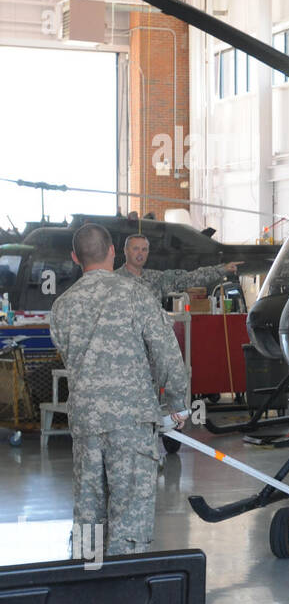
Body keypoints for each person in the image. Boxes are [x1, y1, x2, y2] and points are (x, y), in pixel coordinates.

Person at [49, 223, 190, 556]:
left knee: (88, 509)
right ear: (114, 251)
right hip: (131, 421)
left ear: (74, 258)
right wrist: (177, 403)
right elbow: (166, 353)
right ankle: (124, 585)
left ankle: (88, 576)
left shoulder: (62, 306)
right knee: (130, 512)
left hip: (85, 421)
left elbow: (71, 356)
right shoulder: (136, 294)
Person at [118, 233, 242, 303]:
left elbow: (190, 278)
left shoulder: (157, 279)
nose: (140, 253)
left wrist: (221, 269)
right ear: (125, 251)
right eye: (135, 249)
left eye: (144, 249)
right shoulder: (113, 281)